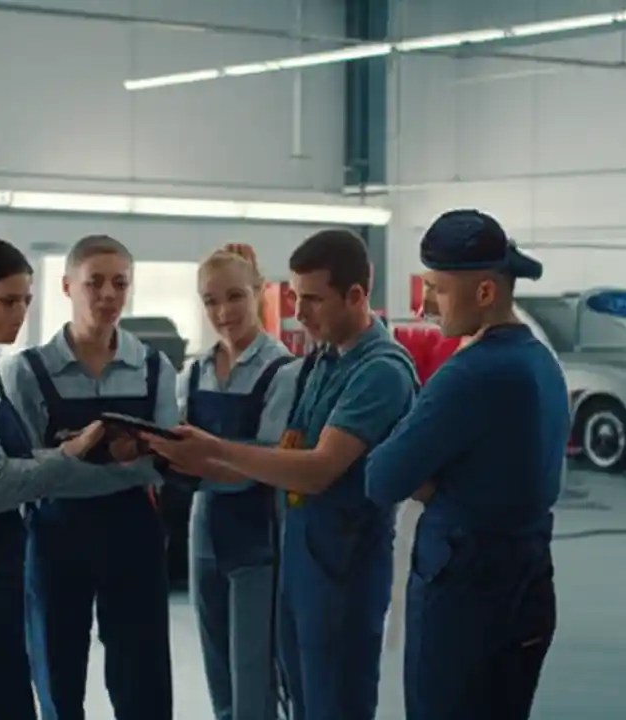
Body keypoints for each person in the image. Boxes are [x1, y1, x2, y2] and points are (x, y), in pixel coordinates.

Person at [144, 229, 419, 720]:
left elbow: (316, 471)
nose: (299, 313)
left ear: (356, 296)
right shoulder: (322, 362)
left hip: (343, 570)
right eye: (295, 297)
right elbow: (291, 448)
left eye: (312, 300)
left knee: (332, 702)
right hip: (300, 561)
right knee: (296, 699)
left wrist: (214, 451)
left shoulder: (380, 372)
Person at [0, 238, 153, 720]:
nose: (18, 313)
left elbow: (7, 461)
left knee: (5, 701)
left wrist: (65, 451)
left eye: (25, 300)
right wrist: (70, 456)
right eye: (5, 301)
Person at [365, 209, 568, 720]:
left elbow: (383, 477)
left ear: (484, 292)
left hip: (465, 601)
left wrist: (437, 482)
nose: (425, 303)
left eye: (436, 288)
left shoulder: (471, 374)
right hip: (527, 586)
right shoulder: (542, 363)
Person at [0, 234, 178, 720]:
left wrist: (90, 460)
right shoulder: (26, 372)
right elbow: (25, 469)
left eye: (120, 283)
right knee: (57, 667)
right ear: (66, 286)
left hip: (133, 530)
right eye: (94, 282)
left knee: (142, 671)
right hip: (56, 531)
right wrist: (95, 457)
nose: (108, 295)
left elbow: (164, 459)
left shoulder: (155, 368)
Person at [178, 244, 300, 720]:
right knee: (219, 681)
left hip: (259, 540)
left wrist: (190, 460)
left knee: (254, 682)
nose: (223, 312)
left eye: (234, 297)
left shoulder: (283, 372)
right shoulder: (193, 373)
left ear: (258, 294)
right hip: (203, 538)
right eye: (210, 301)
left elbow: (267, 462)